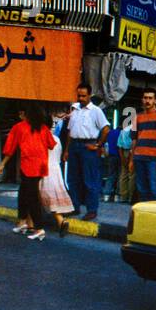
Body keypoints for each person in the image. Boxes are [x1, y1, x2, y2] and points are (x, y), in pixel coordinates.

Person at [0, 105, 58, 240]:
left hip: (28, 165)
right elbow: (52, 144)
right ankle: (23, 221)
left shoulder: (19, 127)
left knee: (31, 197)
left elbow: (10, 147)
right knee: (24, 192)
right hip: (41, 165)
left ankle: (38, 228)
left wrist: (3, 163)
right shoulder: (43, 129)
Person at [63, 83, 109, 221]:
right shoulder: (75, 110)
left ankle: (92, 210)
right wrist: (66, 151)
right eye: (79, 95)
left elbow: (106, 128)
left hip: (88, 146)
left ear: (89, 95)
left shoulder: (95, 111)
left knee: (90, 179)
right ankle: (74, 206)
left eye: (83, 95)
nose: (81, 98)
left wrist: (98, 145)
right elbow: (70, 132)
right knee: (73, 179)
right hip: (74, 146)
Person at [132, 89, 156, 202]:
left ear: (155, 100)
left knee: (155, 189)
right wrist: (131, 159)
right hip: (139, 157)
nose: (147, 101)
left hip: (154, 158)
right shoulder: (136, 117)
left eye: (150, 98)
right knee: (142, 189)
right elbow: (134, 139)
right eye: (145, 98)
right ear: (142, 100)